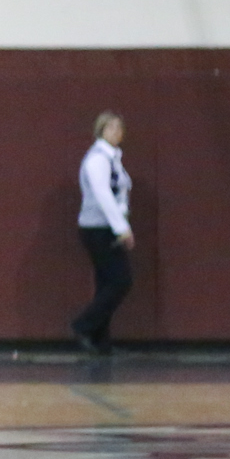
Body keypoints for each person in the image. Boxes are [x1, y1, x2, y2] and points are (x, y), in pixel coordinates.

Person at [73, 111, 133, 355]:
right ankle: (83, 325)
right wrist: (122, 229)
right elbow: (103, 196)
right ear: (100, 131)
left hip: (105, 227)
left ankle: (101, 341)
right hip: (98, 229)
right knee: (121, 280)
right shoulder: (98, 159)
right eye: (111, 128)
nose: (117, 132)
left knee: (106, 283)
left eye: (119, 128)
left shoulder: (113, 158)